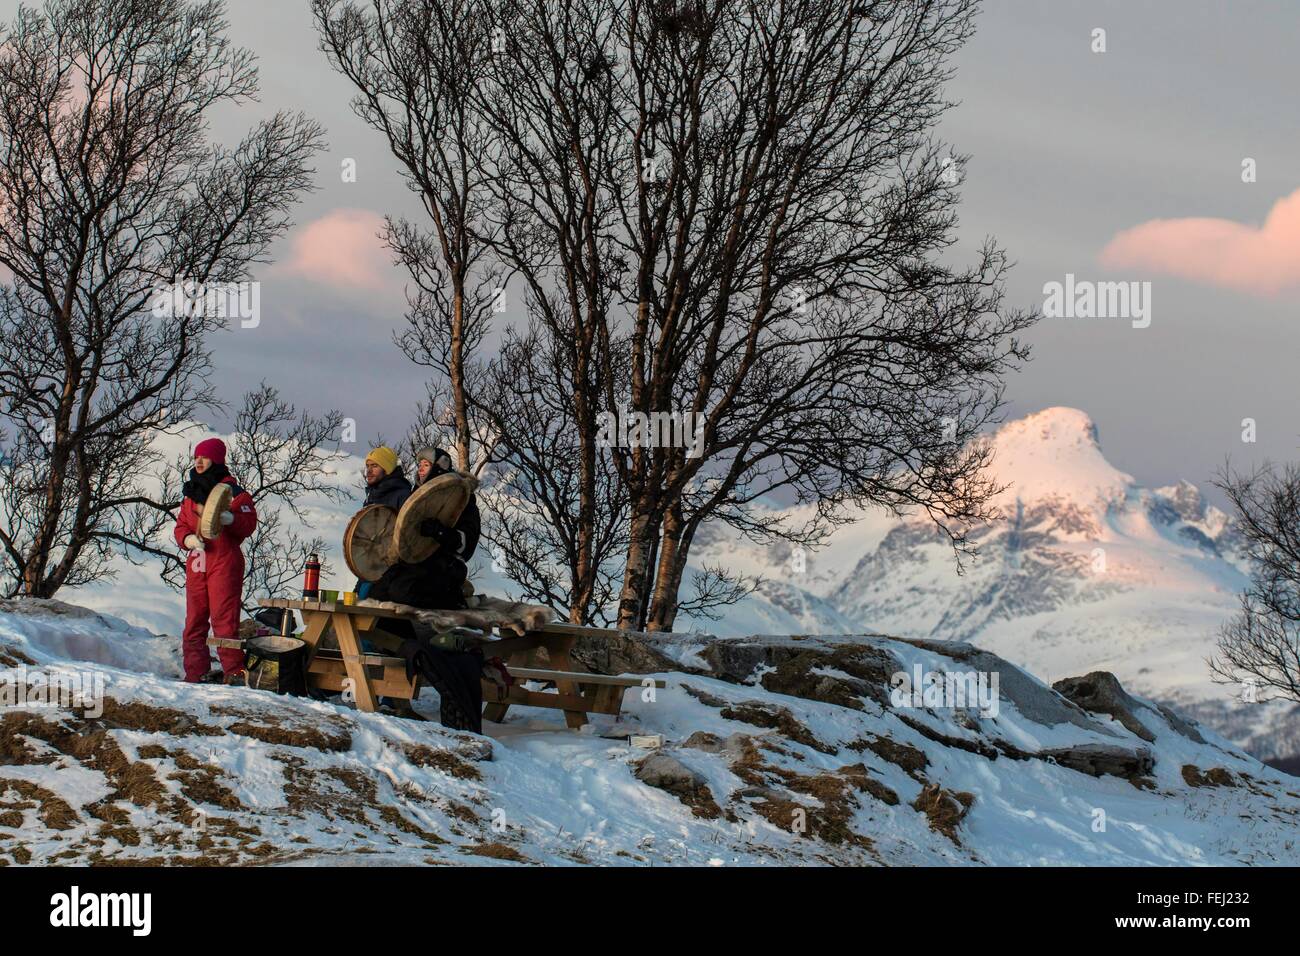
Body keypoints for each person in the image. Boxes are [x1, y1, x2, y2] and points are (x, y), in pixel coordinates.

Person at [173, 438, 257, 685]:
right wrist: (187, 539)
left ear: (217, 460)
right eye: (196, 457)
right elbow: (181, 526)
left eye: (205, 457)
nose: (199, 461)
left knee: (224, 621)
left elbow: (248, 522)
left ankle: (234, 674)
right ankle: (196, 674)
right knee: (194, 622)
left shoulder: (234, 493)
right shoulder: (190, 494)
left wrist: (229, 518)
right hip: (197, 561)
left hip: (223, 561)